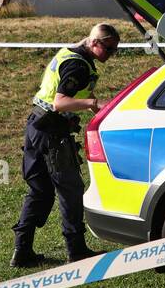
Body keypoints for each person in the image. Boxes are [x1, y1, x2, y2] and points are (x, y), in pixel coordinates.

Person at [12, 23, 120, 268]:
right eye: (110, 50)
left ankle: (22, 250)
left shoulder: (68, 52)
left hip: (35, 126)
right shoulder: (78, 65)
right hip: (52, 132)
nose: (111, 55)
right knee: (70, 189)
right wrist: (92, 103)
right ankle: (76, 250)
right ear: (95, 43)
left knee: (39, 190)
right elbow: (60, 103)